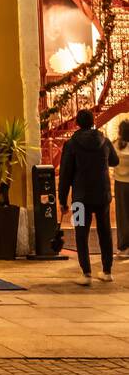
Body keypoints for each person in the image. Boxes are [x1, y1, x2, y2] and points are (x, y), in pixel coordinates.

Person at [58, 109, 119, 284]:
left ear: (77, 123)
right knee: (105, 232)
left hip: (80, 197)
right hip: (102, 196)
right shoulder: (104, 141)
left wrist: (63, 200)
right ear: (93, 122)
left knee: (80, 233)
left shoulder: (71, 144)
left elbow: (65, 174)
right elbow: (114, 161)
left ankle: (86, 273)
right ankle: (107, 271)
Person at [114, 120, 129, 257]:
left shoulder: (116, 146)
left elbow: (111, 161)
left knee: (122, 215)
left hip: (120, 183)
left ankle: (124, 246)